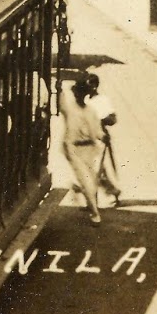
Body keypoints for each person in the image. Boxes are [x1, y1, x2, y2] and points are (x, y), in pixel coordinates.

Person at [59, 77, 107, 225]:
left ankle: (88, 200)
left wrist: (103, 136)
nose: (80, 95)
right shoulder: (69, 108)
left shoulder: (90, 111)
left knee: (91, 180)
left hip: (90, 150)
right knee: (86, 181)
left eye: (82, 93)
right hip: (74, 149)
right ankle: (95, 213)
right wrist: (59, 89)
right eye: (78, 93)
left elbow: (97, 130)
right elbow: (61, 104)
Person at [83, 72, 123, 206]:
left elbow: (113, 118)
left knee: (96, 169)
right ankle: (113, 191)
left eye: (88, 85)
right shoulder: (86, 100)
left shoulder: (103, 100)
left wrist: (99, 120)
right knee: (94, 169)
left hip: (100, 139)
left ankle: (94, 201)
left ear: (94, 86)